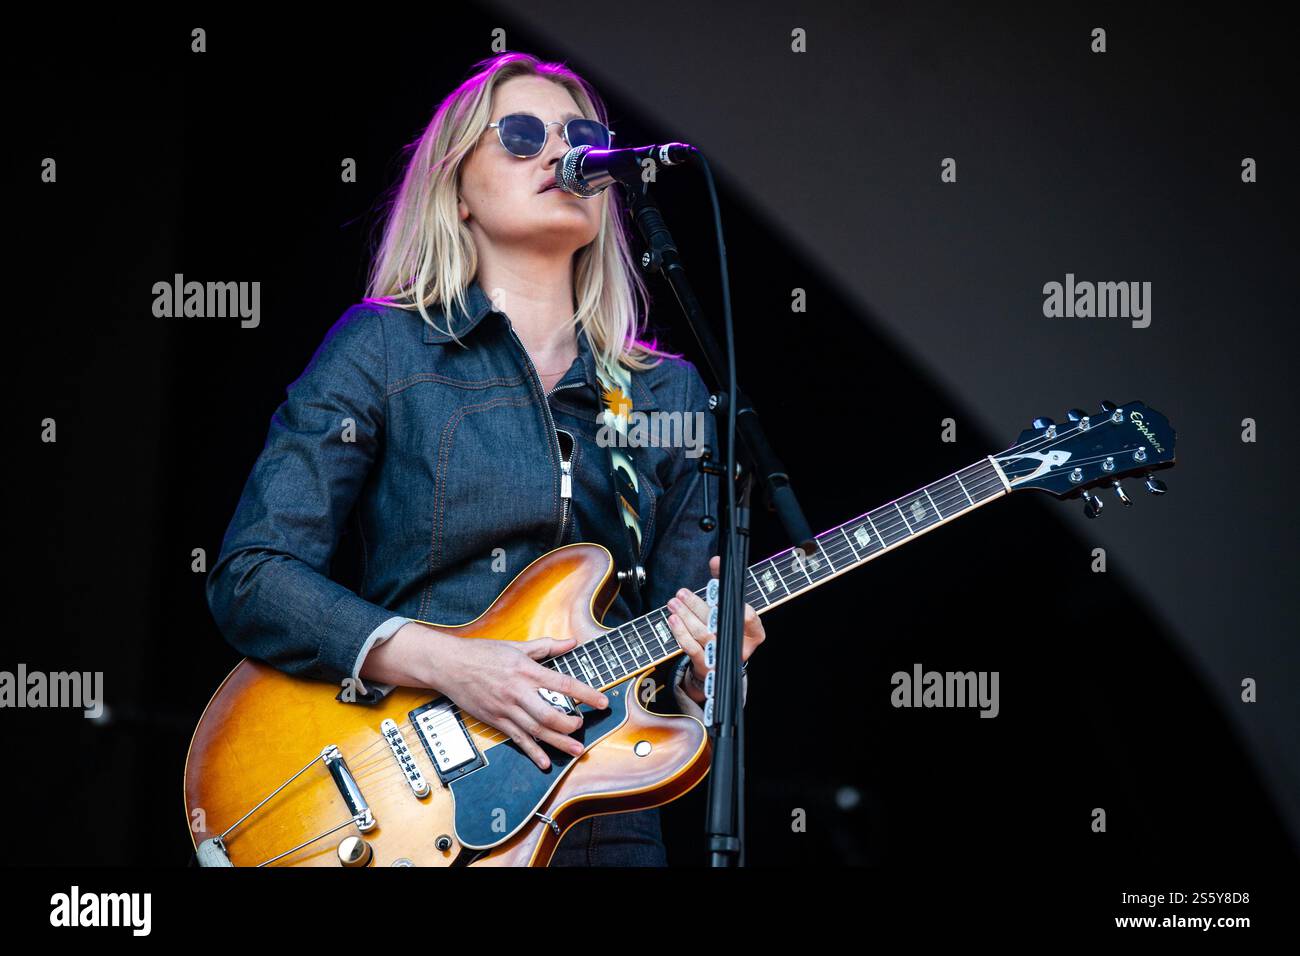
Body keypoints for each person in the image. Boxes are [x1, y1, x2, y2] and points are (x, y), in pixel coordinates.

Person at [205, 50, 766, 866]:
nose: (558, 152)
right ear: (456, 190)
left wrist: (713, 668)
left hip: (598, 825)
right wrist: (455, 664)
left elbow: (673, 670)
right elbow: (253, 574)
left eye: (579, 135)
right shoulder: (386, 349)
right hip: (404, 804)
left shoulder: (666, 395)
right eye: (522, 134)